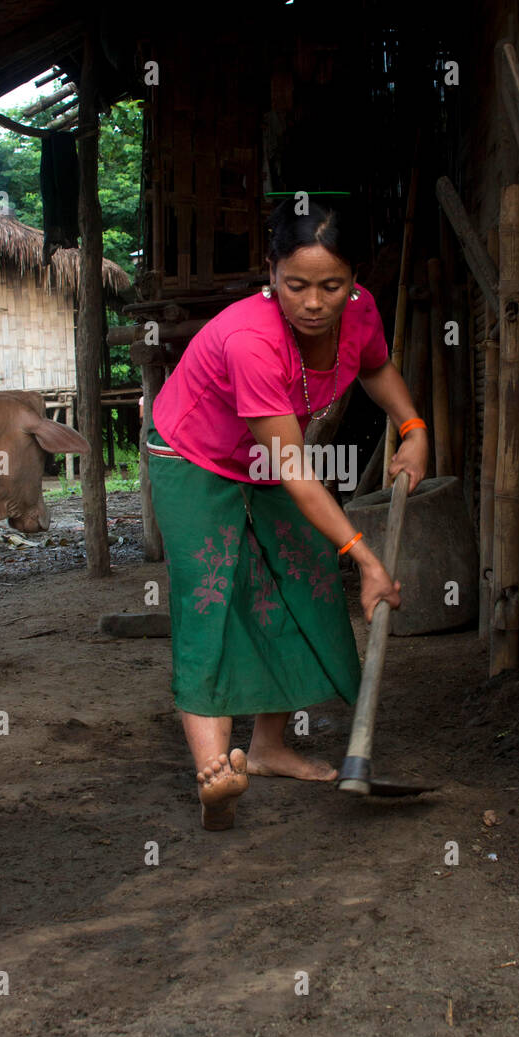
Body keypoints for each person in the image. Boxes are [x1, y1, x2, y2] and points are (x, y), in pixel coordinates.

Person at [146, 198, 428, 829]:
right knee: (212, 591)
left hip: (268, 455)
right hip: (193, 454)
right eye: (296, 285)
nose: (315, 302)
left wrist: (413, 426)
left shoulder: (360, 311)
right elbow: (297, 472)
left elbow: (376, 366)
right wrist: (367, 559)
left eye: (332, 285)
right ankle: (215, 772)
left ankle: (268, 748)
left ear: (355, 279)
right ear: (270, 273)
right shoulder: (251, 340)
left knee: (301, 577)